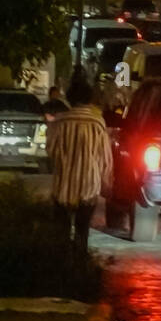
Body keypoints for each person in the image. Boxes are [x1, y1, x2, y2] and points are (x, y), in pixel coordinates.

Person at [47, 81, 113, 256]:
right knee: (82, 233)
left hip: (62, 186)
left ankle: (63, 270)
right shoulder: (97, 123)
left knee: (60, 234)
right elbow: (105, 158)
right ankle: (80, 266)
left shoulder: (60, 122)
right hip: (89, 186)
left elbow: (51, 150)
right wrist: (106, 179)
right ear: (90, 99)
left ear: (69, 98)